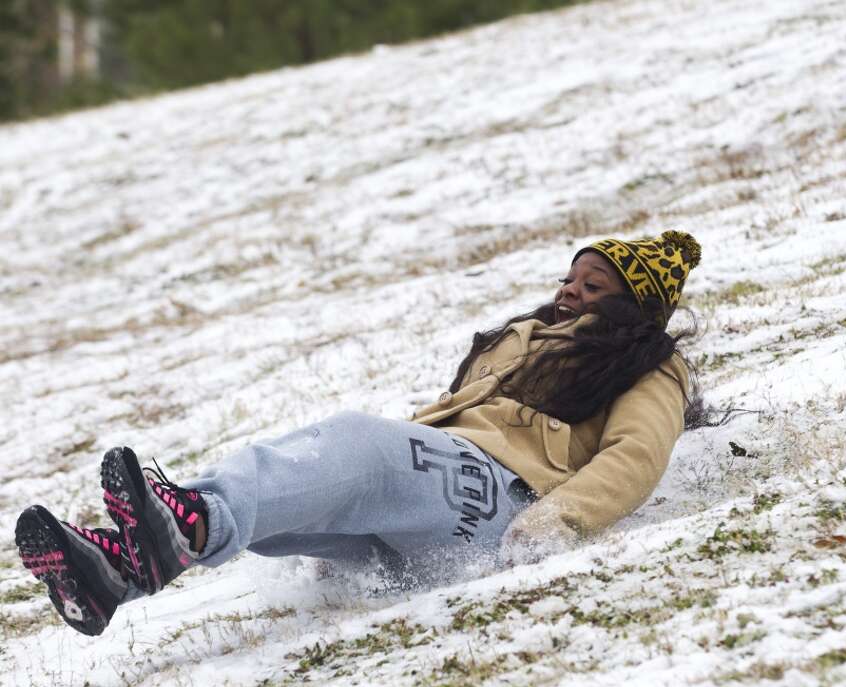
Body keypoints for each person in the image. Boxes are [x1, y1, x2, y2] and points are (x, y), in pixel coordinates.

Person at [15, 230, 702, 637]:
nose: (572, 290)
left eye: (595, 284)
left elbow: (636, 456)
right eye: (571, 276)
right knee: (289, 501)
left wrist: (557, 521)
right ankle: (113, 576)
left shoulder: (650, 365)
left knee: (352, 447)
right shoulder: (527, 335)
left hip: (500, 500)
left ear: (637, 305)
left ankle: (192, 521)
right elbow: (449, 415)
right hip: (436, 515)